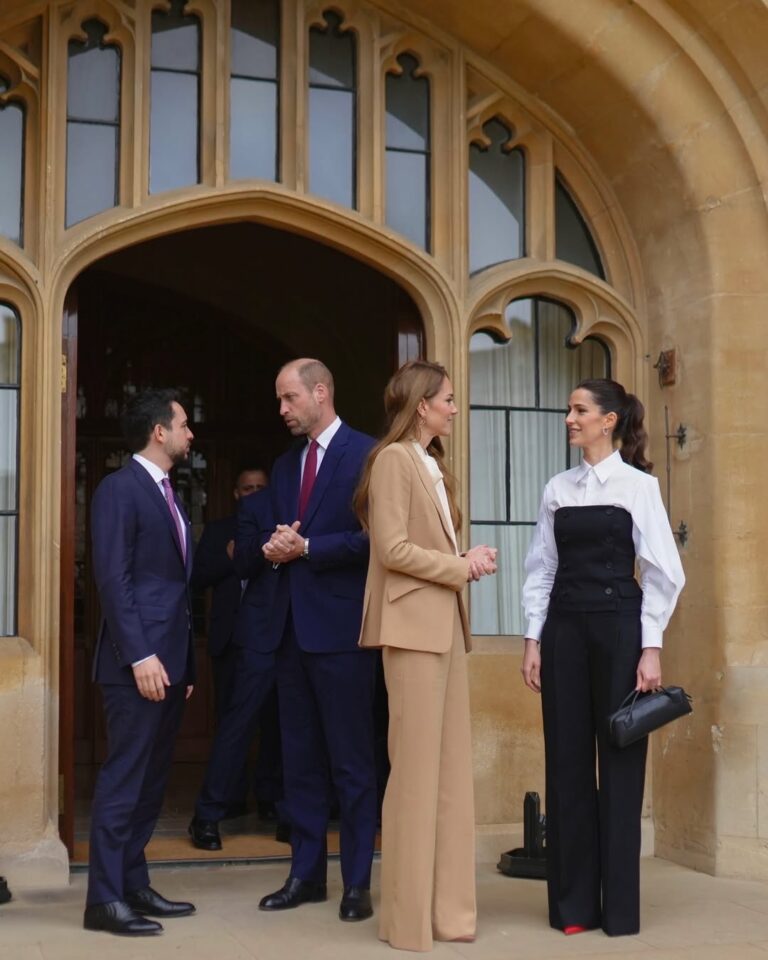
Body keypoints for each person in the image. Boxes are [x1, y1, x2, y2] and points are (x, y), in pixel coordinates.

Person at [520, 378, 685, 938]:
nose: (569, 417)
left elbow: (665, 572)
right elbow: (541, 568)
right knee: (566, 765)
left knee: (619, 766)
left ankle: (618, 911)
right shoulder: (557, 488)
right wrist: (532, 639)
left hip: (620, 633)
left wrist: (651, 647)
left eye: (579, 410)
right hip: (564, 632)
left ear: (608, 420)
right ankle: (573, 908)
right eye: (570, 409)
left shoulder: (640, 487)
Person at [356, 359, 497, 952]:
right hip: (412, 631)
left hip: (442, 629)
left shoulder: (433, 465)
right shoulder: (392, 461)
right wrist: (461, 566)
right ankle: (407, 923)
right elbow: (391, 548)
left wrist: (465, 562)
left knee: (449, 783)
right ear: (422, 406)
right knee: (414, 780)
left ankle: (451, 916)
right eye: (447, 399)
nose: (455, 408)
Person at [257, 358, 378, 923]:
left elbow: (377, 541)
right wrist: (275, 544)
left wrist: (308, 549)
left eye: (289, 398)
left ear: (320, 392)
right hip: (290, 634)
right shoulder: (284, 467)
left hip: (343, 635)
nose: (282, 410)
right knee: (299, 764)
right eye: (280, 400)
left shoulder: (370, 455)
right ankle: (305, 875)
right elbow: (278, 533)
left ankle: (357, 883)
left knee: (352, 764)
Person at [84, 389, 197, 937]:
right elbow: (113, 579)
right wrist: (142, 655)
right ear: (159, 431)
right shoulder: (118, 489)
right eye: (183, 424)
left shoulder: (170, 493)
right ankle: (103, 899)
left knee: (151, 780)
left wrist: (187, 667)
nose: (190, 434)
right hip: (137, 664)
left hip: (169, 666)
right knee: (125, 778)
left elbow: (175, 588)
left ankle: (132, 881)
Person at [189, 486, 284, 851]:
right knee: (237, 725)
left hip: (307, 633)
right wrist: (272, 544)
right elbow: (240, 560)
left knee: (298, 727)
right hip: (259, 633)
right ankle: (208, 814)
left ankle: (289, 812)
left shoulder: (329, 499)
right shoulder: (257, 506)